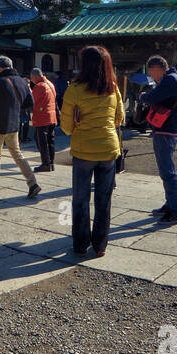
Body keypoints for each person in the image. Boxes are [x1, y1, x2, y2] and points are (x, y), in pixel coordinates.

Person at [65, 45, 125, 258]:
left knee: (80, 199)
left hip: (83, 150)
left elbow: (65, 125)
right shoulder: (113, 88)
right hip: (109, 149)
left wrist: (78, 128)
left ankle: (80, 245)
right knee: (104, 199)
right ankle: (100, 244)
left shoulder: (75, 88)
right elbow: (119, 119)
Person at [0, 56, 42, 200]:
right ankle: (32, 183)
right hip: (14, 124)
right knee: (17, 155)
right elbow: (30, 102)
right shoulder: (22, 82)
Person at [138, 53, 177, 227]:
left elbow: (151, 97)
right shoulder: (173, 78)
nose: (152, 76)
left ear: (157, 68)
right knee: (166, 170)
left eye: (152, 72)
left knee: (167, 171)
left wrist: (143, 97)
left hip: (166, 129)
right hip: (167, 129)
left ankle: (176, 211)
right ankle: (171, 204)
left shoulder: (170, 80)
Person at [27, 61, 60, 173]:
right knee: (51, 140)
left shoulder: (39, 86)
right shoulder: (50, 84)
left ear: (35, 76)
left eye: (31, 78)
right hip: (51, 116)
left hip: (42, 117)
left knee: (42, 141)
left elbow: (32, 100)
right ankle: (51, 163)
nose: (31, 80)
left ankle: (45, 163)